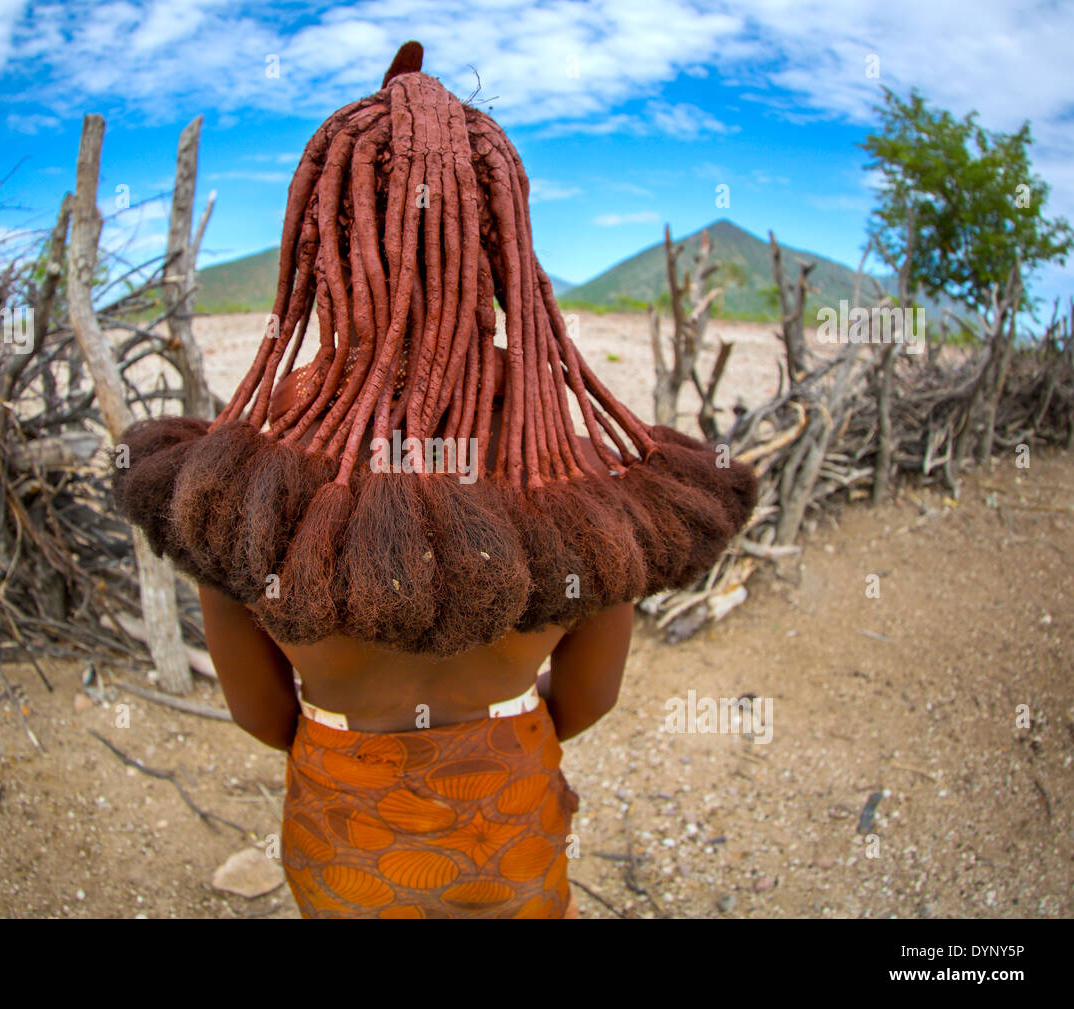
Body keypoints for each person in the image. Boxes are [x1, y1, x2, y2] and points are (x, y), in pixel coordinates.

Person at [113, 41, 756, 918]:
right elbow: (590, 700)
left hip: (345, 856)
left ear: (324, 235)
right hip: (511, 839)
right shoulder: (560, 464)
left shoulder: (247, 470)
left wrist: (375, 775)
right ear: (500, 240)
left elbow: (262, 715)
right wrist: (485, 757)